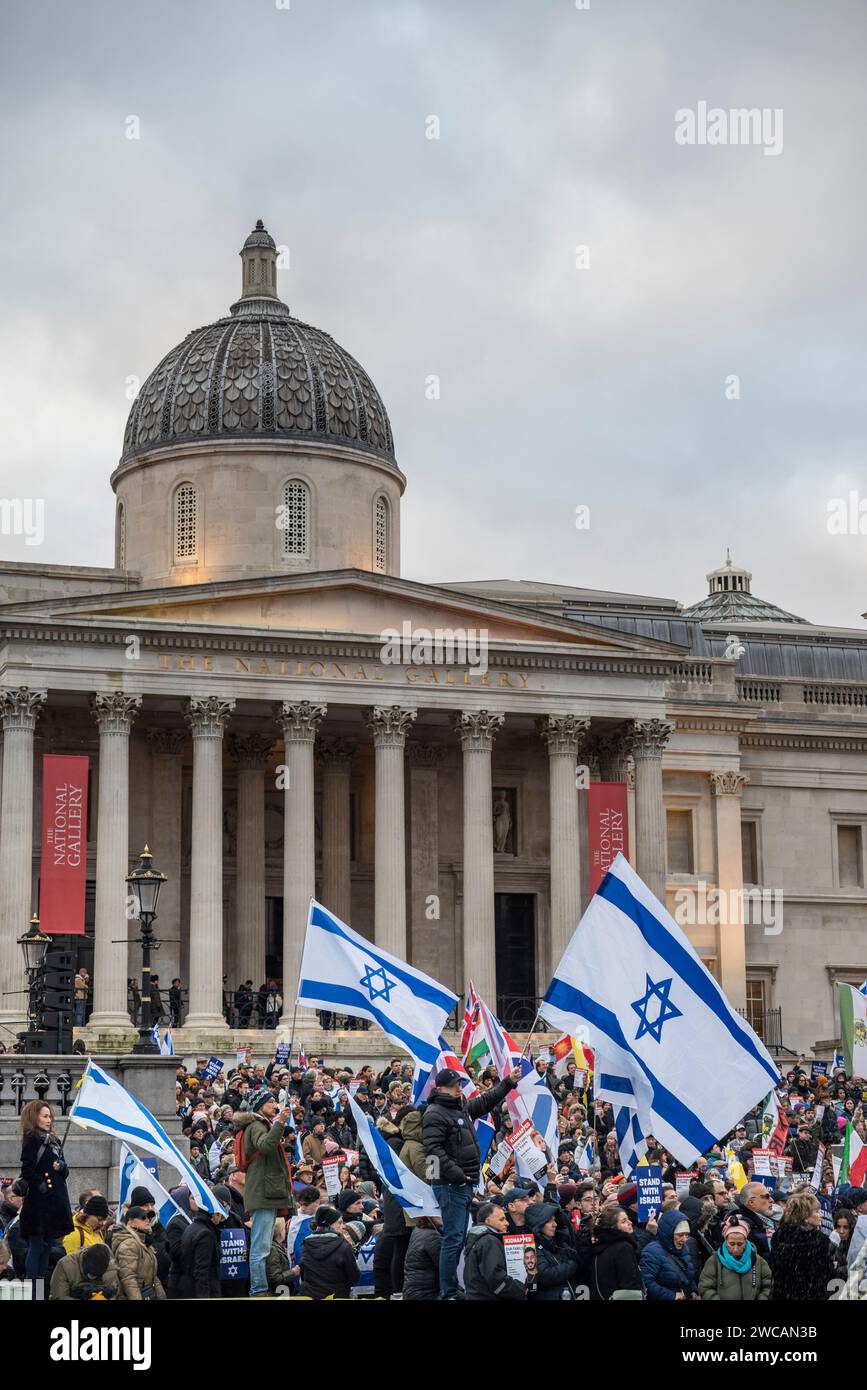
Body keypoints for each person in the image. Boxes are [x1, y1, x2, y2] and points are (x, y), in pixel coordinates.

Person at [422, 1064, 521, 1299]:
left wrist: (507, 1082)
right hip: (451, 1185)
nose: (460, 1088)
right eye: (456, 1085)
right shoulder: (435, 1113)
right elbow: (433, 1153)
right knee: (454, 1238)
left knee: (459, 1237)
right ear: (443, 1089)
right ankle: (448, 1292)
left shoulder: (460, 1109)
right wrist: (456, 1176)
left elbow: (486, 1101)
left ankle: (459, 1286)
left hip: (463, 1184)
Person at [233, 1091, 293, 1298]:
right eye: (269, 1101)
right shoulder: (256, 1125)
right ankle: (258, 1290)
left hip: (265, 1192)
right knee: (260, 1247)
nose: (274, 1104)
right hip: (263, 1193)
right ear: (258, 1106)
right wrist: (280, 1124)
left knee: (263, 1245)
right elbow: (266, 1146)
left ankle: (260, 1288)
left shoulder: (256, 1124)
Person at [18, 1099, 73, 1284]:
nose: (49, 1120)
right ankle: (33, 1289)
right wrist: (39, 1184)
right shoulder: (32, 1139)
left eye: (50, 1116)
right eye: (45, 1116)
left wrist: (61, 1166)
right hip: (38, 1204)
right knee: (36, 1247)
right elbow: (27, 1169)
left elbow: (65, 1172)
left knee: (48, 1247)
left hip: (55, 1202)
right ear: (35, 1117)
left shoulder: (55, 1141)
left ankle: (40, 1290)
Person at [767, 1189, 835, 1301]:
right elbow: (827, 1274)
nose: (821, 1215)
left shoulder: (778, 1236)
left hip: (783, 1294)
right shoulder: (820, 1240)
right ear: (805, 1216)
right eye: (817, 1211)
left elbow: (775, 1270)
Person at [464, 1201, 534, 1300]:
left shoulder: (479, 1239)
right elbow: (496, 1279)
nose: (507, 1223)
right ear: (487, 1221)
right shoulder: (489, 1241)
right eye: (502, 1219)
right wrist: (522, 1290)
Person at [698, 1217, 772, 1301]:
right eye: (731, 1244)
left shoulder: (757, 1261)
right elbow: (705, 1287)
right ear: (725, 1241)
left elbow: (768, 1285)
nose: (735, 1248)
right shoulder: (714, 1261)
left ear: (746, 1241)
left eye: (740, 1244)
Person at [299, 1206, 359, 1300]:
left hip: (310, 1295)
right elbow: (354, 1277)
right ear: (329, 1224)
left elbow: (303, 1274)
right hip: (337, 1295)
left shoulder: (306, 1244)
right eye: (339, 1223)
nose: (343, 1226)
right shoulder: (343, 1246)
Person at [524, 1202, 581, 1299]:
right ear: (538, 1224)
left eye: (554, 1220)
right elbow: (546, 1274)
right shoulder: (531, 1247)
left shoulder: (558, 1243)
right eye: (549, 1221)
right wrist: (573, 1264)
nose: (555, 1224)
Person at [588, 1202, 644, 1300]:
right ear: (613, 1228)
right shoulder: (623, 1247)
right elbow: (629, 1285)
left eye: (628, 1219)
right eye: (624, 1221)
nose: (630, 1223)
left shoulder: (600, 1245)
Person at [639, 1209, 698, 1300]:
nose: (684, 1239)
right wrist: (672, 1296)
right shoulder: (652, 1251)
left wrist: (693, 1290)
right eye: (680, 1235)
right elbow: (647, 1283)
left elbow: (687, 1275)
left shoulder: (684, 1248)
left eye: (687, 1235)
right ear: (668, 1233)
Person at [111, 1206, 166, 1300]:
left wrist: (162, 1296)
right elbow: (128, 1278)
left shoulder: (144, 1242)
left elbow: (153, 1277)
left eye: (148, 1217)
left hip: (147, 1295)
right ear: (131, 1222)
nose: (147, 1220)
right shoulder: (129, 1244)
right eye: (143, 1217)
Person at [176, 1205, 225, 1299]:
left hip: (189, 1287)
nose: (221, 1217)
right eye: (219, 1213)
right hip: (204, 1291)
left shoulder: (190, 1228)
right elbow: (202, 1270)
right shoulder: (206, 1234)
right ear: (213, 1214)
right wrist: (203, 1296)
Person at [49, 1242, 120, 1301]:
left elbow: (114, 1293)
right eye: (91, 1273)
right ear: (84, 1259)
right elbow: (59, 1296)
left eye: (96, 1275)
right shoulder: (65, 1265)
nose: (92, 1277)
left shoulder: (110, 1267)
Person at [403, 1217, 443, 1301]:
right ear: (430, 1217)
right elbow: (444, 1266)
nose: (442, 1216)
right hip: (427, 1293)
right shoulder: (433, 1236)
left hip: (413, 1291)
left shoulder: (417, 1230)